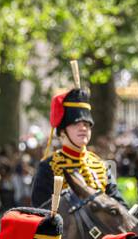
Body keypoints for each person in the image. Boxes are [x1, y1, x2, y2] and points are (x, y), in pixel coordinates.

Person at [31, 75, 125, 209]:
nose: (83, 128)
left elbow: (120, 208)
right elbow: (40, 213)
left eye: (87, 123)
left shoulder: (101, 166)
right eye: (76, 123)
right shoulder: (48, 167)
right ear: (63, 131)